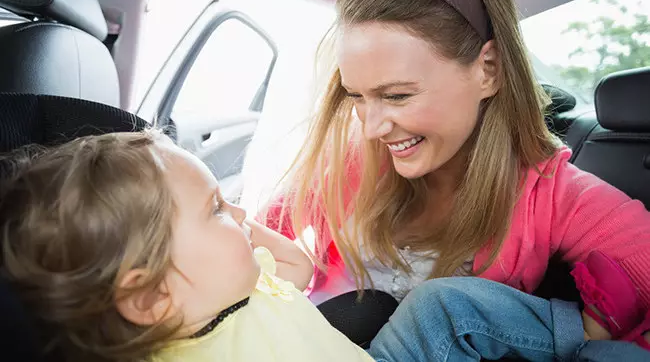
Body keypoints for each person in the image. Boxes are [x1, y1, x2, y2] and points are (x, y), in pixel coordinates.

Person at [259, 0, 650, 346]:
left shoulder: (552, 194)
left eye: (397, 95)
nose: (372, 127)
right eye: (357, 96)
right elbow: (256, 238)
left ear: (489, 70)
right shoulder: (354, 161)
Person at [1, 130, 648, 362]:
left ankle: (585, 331)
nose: (243, 210)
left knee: (441, 302)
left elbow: (298, 266)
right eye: (217, 209)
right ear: (150, 296)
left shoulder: (227, 283)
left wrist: (239, 229)